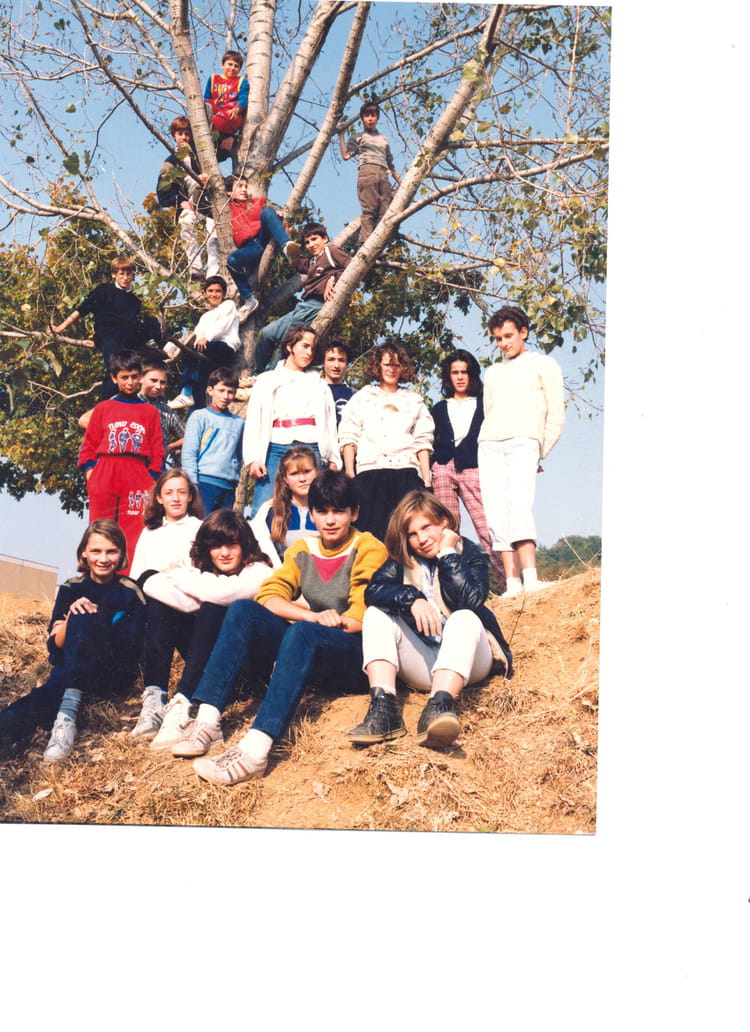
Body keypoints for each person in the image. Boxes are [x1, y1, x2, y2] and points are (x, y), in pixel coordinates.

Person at [187, 470, 388, 785]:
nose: (331, 519)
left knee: (302, 631)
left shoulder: (369, 547)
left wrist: (316, 623)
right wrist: (311, 616)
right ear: (312, 513)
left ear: (355, 513)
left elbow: (361, 616)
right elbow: (269, 596)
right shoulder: (304, 549)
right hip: (313, 639)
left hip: (357, 655)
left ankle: (256, 750)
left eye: (339, 511)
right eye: (322, 511)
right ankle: (209, 719)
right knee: (244, 609)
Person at [348, 491, 513, 750]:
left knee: (464, 617)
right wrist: (412, 598)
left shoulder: (469, 553)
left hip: (469, 662)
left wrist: (448, 555)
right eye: (412, 534)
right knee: (375, 613)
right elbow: (373, 592)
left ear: (444, 522)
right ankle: (384, 708)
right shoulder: (402, 560)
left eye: (427, 527)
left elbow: (470, 600)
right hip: (425, 660)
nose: (421, 539)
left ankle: (440, 706)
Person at [0, 520, 146, 763]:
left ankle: (66, 716)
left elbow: (130, 650)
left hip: (107, 671)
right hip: (69, 668)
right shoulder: (72, 588)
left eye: (111, 551)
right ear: (84, 553)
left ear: (121, 554)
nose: (103, 558)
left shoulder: (130, 592)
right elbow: (53, 649)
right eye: (96, 551)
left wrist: (98, 618)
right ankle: (52, 722)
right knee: (50, 689)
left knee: (84, 617)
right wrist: (70, 620)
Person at [137, 510, 273, 752]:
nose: (224, 553)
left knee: (212, 607)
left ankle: (185, 702)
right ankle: (157, 697)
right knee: (164, 606)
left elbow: (221, 595)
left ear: (244, 545)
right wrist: (152, 577)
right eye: (216, 546)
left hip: (247, 670)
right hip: (210, 663)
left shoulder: (259, 569)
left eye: (232, 545)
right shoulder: (206, 574)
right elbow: (162, 589)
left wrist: (176, 574)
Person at [477, 305, 565, 598]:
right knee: (495, 509)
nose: (503, 343)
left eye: (508, 336)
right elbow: (490, 412)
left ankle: (531, 577)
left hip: (524, 441)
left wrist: (541, 451)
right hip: (490, 444)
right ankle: (512, 583)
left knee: (519, 505)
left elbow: (555, 414)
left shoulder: (544, 365)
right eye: (498, 339)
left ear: (523, 333)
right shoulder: (492, 373)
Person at [77, 350, 165, 574]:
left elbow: (157, 451)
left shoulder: (150, 412)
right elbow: (88, 446)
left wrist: (152, 479)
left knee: (134, 530)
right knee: (100, 527)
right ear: (114, 378)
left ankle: (127, 581)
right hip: (106, 469)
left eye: (134, 376)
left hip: (137, 472)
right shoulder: (104, 408)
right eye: (124, 377)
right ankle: (93, 578)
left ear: (140, 377)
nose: (130, 382)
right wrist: (91, 474)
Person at [338, 338, 433, 541]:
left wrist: (426, 478)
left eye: (396, 365)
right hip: (370, 474)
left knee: (407, 535)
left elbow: (423, 440)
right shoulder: (363, 397)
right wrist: (350, 473)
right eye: (387, 364)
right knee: (370, 537)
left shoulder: (413, 400)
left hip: (405, 474)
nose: (391, 369)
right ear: (378, 366)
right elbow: (348, 435)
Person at [243, 325, 340, 517]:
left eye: (312, 348)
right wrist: (253, 459)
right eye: (304, 346)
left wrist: (333, 459)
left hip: (312, 446)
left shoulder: (319, 383)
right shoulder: (267, 380)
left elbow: (330, 424)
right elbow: (254, 420)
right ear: (290, 346)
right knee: (265, 507)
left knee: (315, 506)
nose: (309, 352)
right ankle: (261, 547)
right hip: (276, 447)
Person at [431, 349, 506, 593]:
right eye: (455, 373)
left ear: (472, 375)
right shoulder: (439, 408)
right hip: (443, 467)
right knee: (447, 529)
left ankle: (510, 585)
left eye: (465, 372)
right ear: (448, 376)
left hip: (474, 466)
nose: (460, 377)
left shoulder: (486, 405)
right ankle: (453, 589)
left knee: (488, 526)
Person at [49, 256, 163, 399]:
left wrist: (146, 343)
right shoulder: (104, 290)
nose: (126, 278)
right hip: (109, 334)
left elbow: (133, 325)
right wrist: (60, 327)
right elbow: (81, 310)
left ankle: (165, 348)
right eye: (121, 274)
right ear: (114, 274)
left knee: (151, 322)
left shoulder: (135, 301)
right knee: (118, 367)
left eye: (129, 274)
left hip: (127, 334)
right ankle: (106, 403)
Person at [253, 223, 351, 374]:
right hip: (302, 306)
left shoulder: (330, 250)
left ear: (325, 238)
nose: (311, 244)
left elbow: (352, 266)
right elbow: (297, 261)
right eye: (307, 242)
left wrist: (333, 278)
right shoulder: (313, 261)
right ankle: (257, 375)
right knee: (266, 334)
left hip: (316, 305)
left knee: (288, 342)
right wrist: (287, 238)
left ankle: (270, 376)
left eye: (314, 239)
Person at [225, 175, 301, 314]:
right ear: (229, 192)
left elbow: (273, 209)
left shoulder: (255, 203)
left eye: (245, 186)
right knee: (231, 260)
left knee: (267, 211)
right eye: (239, 186)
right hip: (250, 247)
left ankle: (287, 246)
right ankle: (249, 299)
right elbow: (205, 201)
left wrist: (278, 213)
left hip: (261, 236)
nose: (244, 190)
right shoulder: (225, 208)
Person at [156, 116, 220, 280]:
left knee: (214, 234)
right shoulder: (170, 163)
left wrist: (229, 139)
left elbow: (219, 148)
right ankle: (196, 269)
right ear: (173, 135)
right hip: (189, 205)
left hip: (208, 203)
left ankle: (214, 273)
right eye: (180, 134)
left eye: (187, 133)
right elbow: (162, 195)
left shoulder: (200, 153)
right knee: (185, 223)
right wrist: (180, 201)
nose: (184, 137)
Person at [168, 276, 240, 411]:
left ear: (224, 294)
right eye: (210, 291)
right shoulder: (205, 316)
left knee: (193, 350)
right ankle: (194, 410)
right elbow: (197, 334)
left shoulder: (228, 305)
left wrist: (207, 337)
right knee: (199, 385)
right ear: (205, 294)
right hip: (208, 351)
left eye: (218, 291)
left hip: (224, 347)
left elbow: (223, 326)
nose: (214, 294)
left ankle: (185, 392)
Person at [181, 367, 244, 514]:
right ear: (210, 390)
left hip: (229, 486)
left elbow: (239, 455)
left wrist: (235, 478)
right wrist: (192, 485)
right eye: (221, 390)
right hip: (204, 483)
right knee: (201, 528)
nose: (225, 396)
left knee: (221, 531)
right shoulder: (200, 416)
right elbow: (189, 452)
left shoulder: (239, 422)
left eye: (230, 392)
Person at [338, 101, 401, 241]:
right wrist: (341, 136)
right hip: (367, 172)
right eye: (367, 116)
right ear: (362, 118)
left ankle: (378, 244)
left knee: (385, 211)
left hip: (384, 175)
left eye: (373, 115)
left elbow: (390, 162)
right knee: (369, 210)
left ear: (377, 117)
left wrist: (400, 181)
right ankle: (365, 243)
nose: (370, 118)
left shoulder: (383, 139)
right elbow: (346, 156)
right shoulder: (358, 137)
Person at [250, 445, 319, 566]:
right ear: (285, 478)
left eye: (307, 472)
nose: (302, 478)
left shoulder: (329, 509)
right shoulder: (270, 511)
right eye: (294, 474)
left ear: (317, 472)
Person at [204, 50, 248, 159]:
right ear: (222, 65)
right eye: (230, 64)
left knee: (226, 119)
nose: (232, 68)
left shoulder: (241, 81)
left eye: (236, 66)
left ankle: (215, 132)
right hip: (214, 113)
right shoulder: (214, 79)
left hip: (230, 115)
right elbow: (207, 98)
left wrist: (238, 108)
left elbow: (243, 98)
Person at [321, 337, 354, 426]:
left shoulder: (355, 396)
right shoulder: (314, 391)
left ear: (347, 364)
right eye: (331, 359)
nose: (336, 365)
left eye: (341, 360)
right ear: (323, 363)